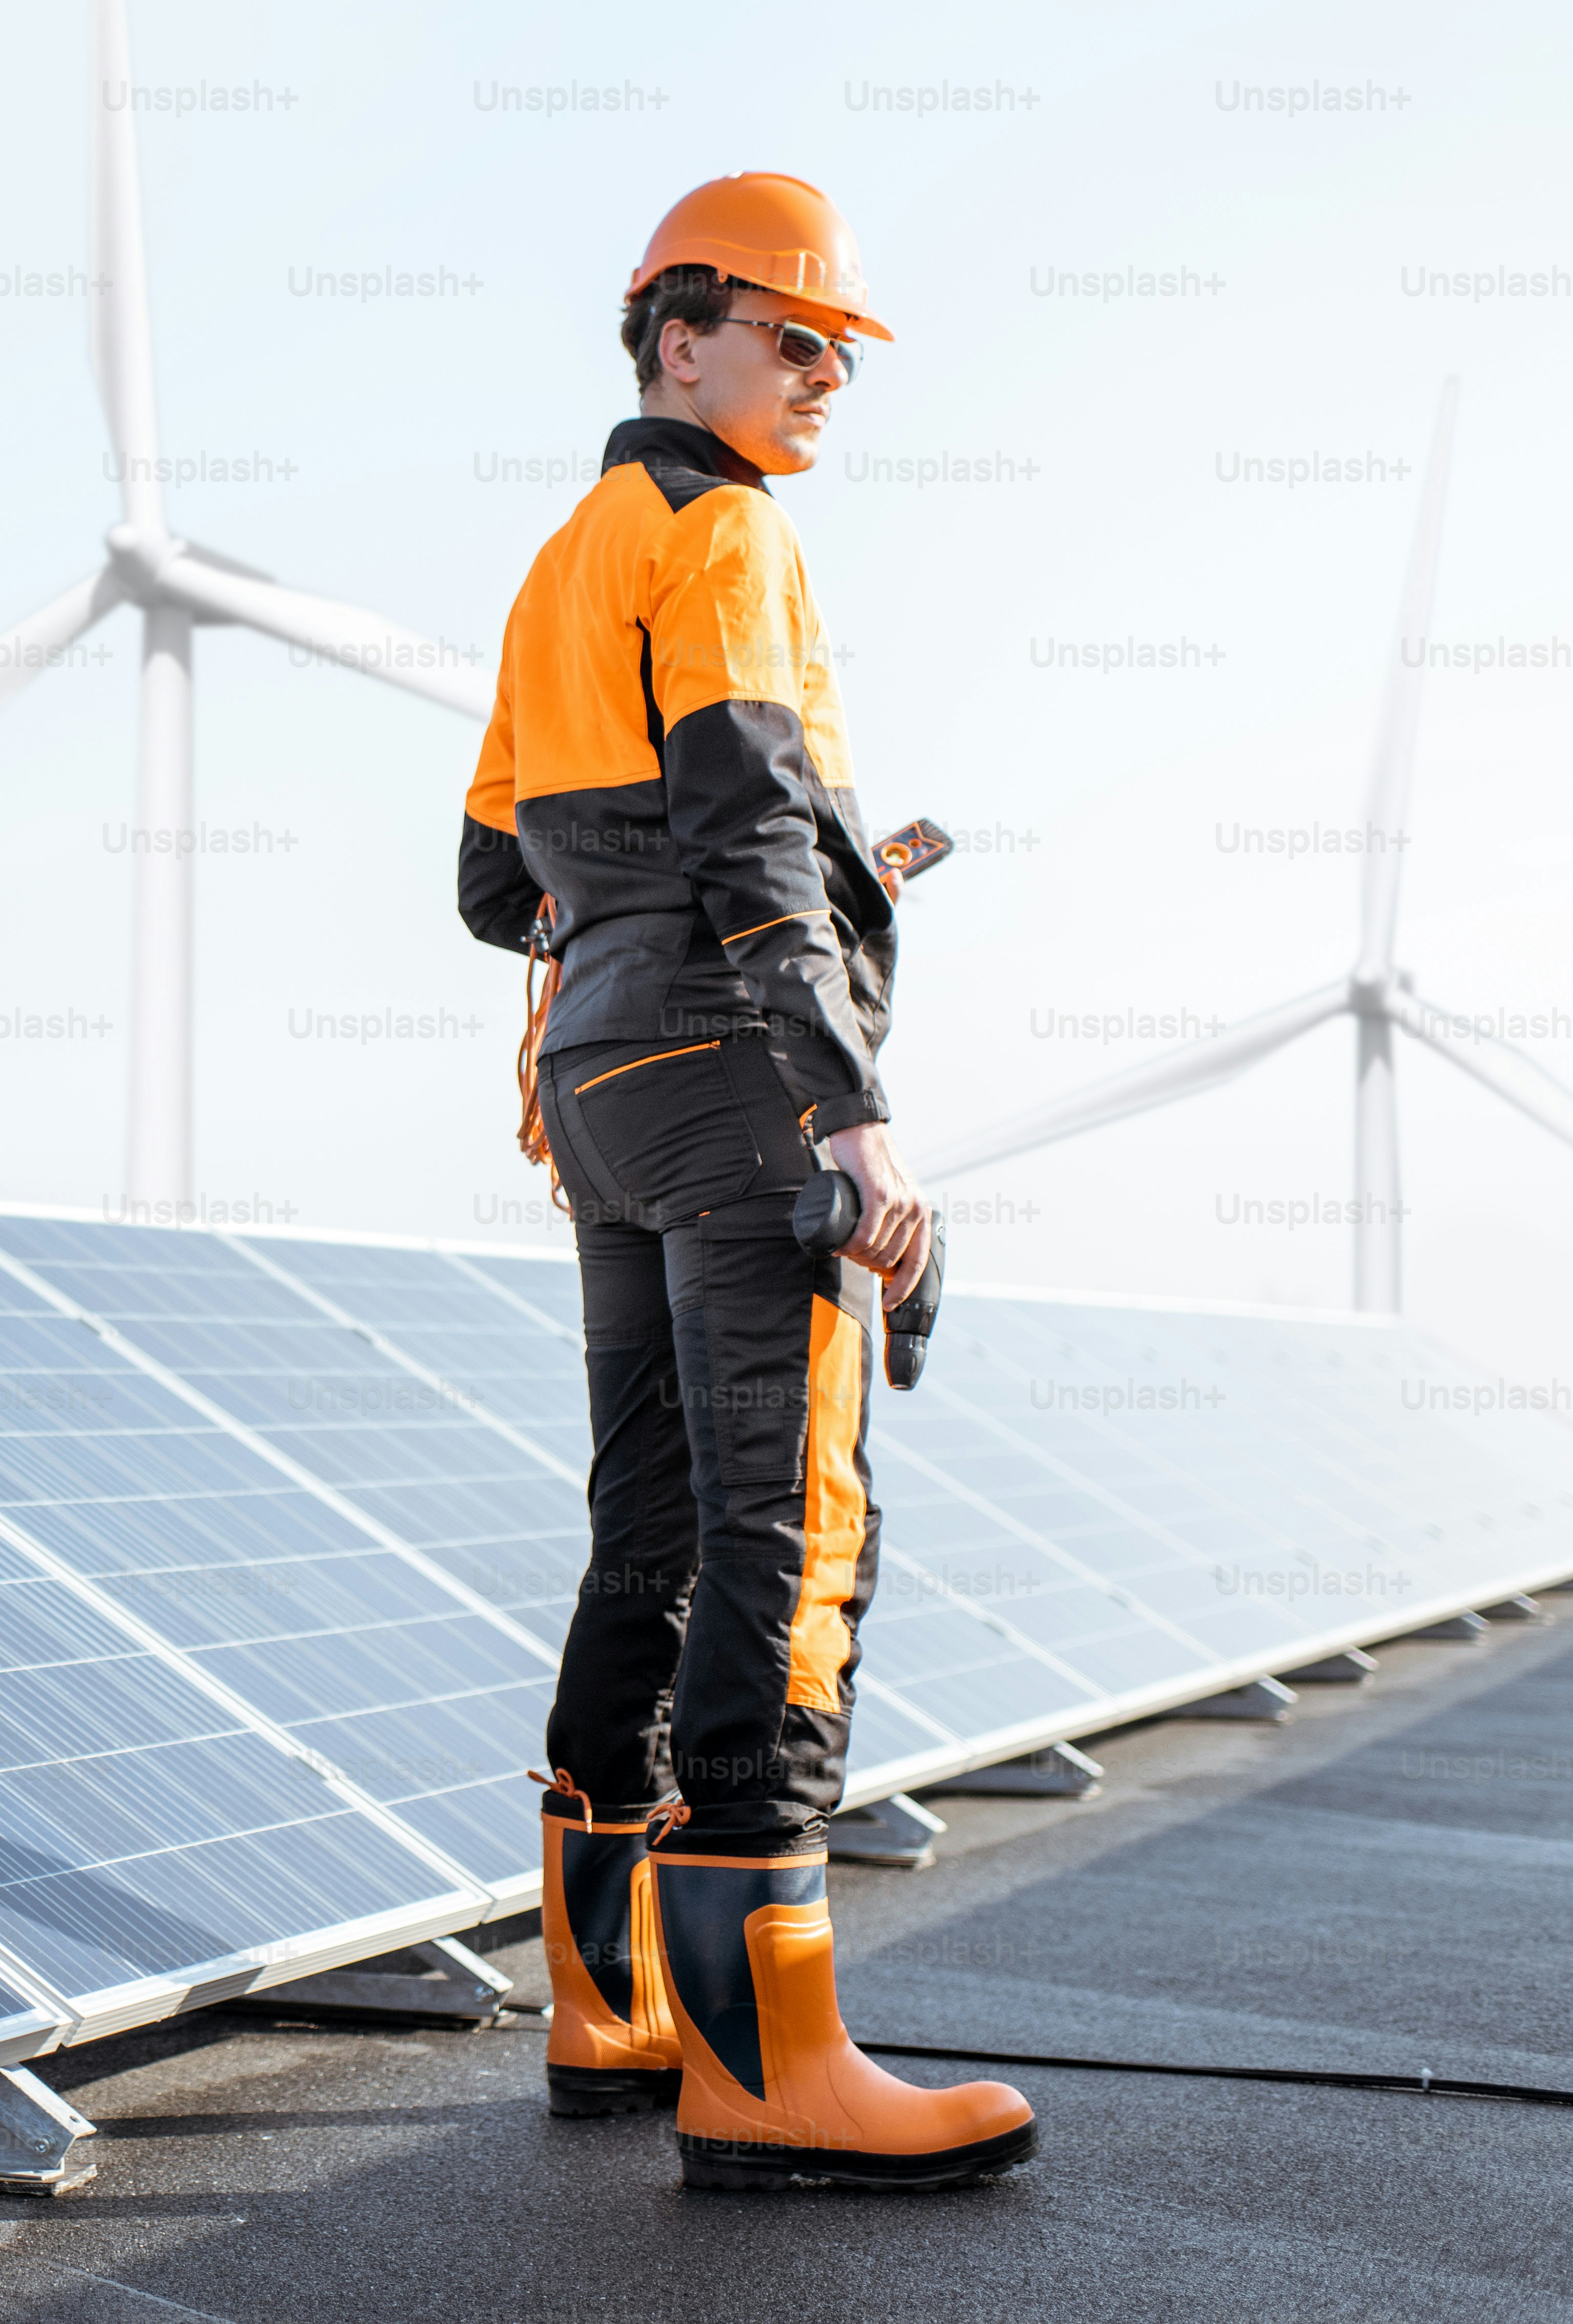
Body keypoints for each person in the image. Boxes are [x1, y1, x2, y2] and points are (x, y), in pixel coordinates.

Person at [457, 172, 1036, 2191]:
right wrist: (847, 1100)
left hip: (601, 1086)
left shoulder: (557, 566)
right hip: (731, 1085)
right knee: (788, 1528)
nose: (820, 380)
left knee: (653, 1525)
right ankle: (767, 2059)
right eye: (792, 340)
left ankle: (609, 2009)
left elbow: (481, 885)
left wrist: (618, 910)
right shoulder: (724, 534)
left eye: (834, 354)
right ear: (672, 336)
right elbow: (748, 813)